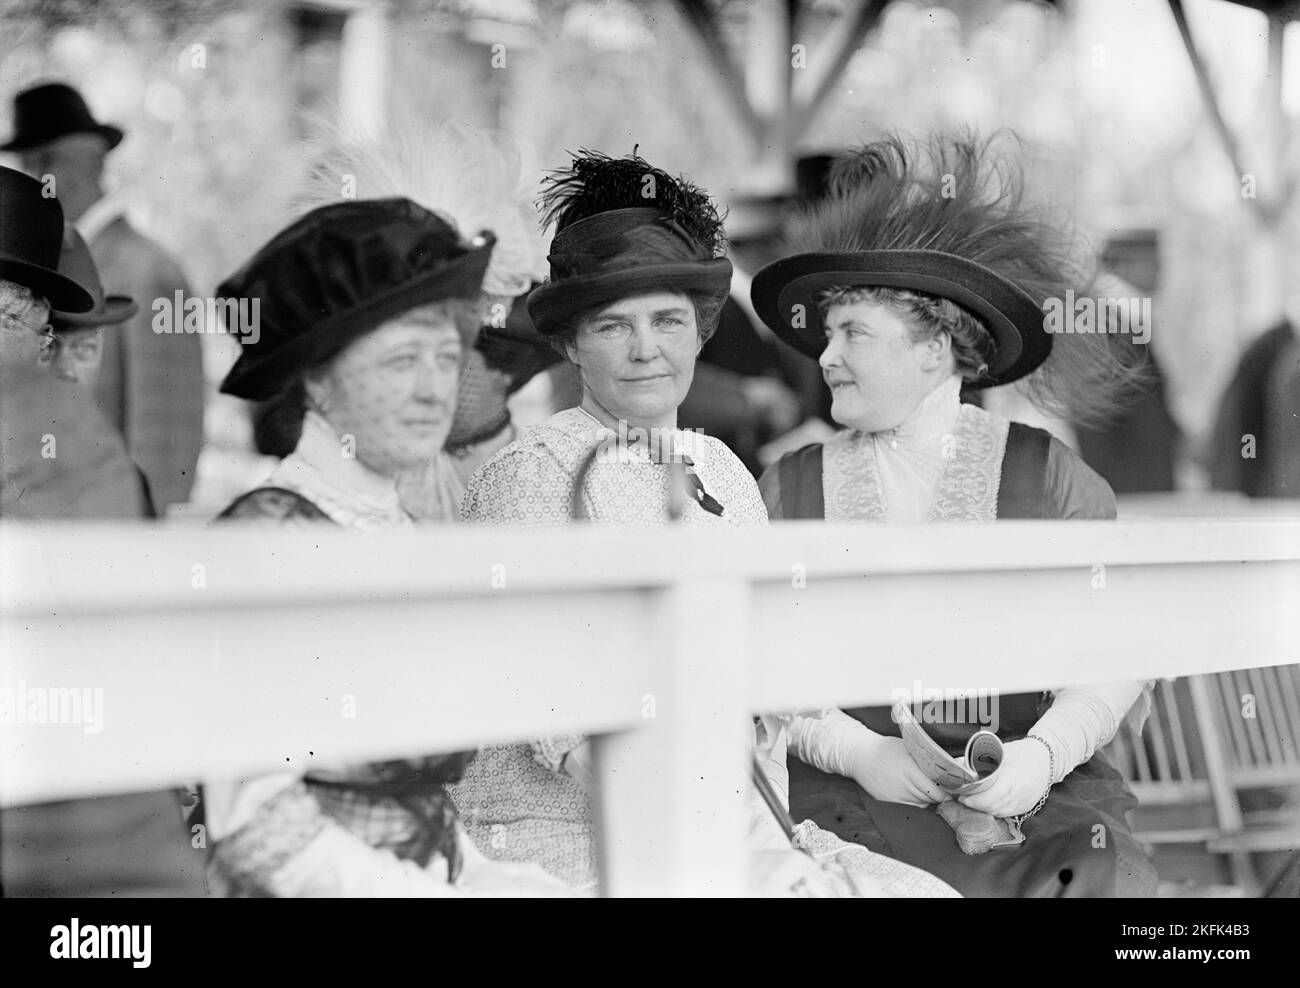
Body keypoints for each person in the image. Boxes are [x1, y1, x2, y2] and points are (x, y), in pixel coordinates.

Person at [454, 151, 958, 897]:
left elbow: (771, 678)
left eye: (666, 320)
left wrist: (870, 756)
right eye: (611, 326)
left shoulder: (718, 471)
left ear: (701, 331)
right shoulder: (535, 477)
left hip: (739, 830)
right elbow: (561, 721)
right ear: (569, 343)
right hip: (580, 847)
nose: (645, 348)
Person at [750, 134, 1158, 897]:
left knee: (1098, 878)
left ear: (936, 348)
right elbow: (753, 660)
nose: (826, 356)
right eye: (827, 333)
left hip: (1034, 802)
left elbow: (1117, 650)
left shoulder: (1052, 478)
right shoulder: (788, 489)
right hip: (848, 802)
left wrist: (1039, 756)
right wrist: (855, 751)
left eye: (853, 333)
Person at [204, 196, 564, 896]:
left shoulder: (400, 532)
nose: (434, 389)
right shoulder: (266, 541)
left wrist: (495, 880)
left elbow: (418, 808)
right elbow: (256, 831)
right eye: (402, 360)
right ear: (316, 377)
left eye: (446, 357)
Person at [5, 82, 204, 512]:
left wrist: (144, 539)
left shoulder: (150, 269)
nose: (39, 176)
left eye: (50, 159)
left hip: (110, 529)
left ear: (95, 159)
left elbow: (166, 429)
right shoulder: (41, 263)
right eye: (27, 161)